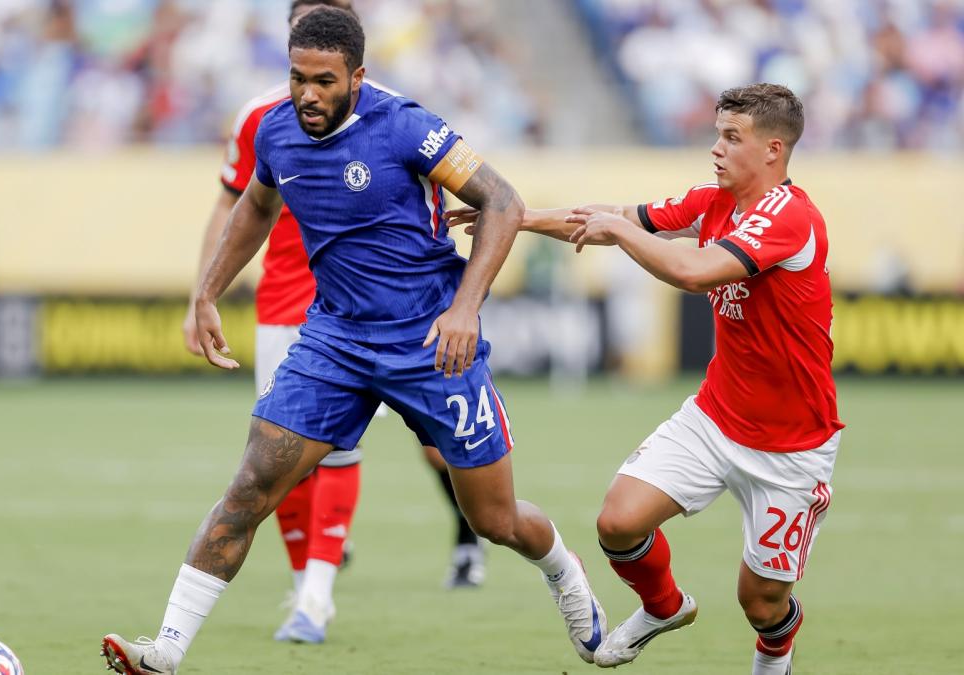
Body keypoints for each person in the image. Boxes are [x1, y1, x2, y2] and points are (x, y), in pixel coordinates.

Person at [103, 8, 605, 674]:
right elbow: (256, 205)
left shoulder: (406, 125)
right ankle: (164, 650)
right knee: (250, 485)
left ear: (357, 77)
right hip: (335, 340)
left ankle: (566, 577)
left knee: (496, 518)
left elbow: (503, 203)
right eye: (296, 77)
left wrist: (464, 308)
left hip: (429, 339)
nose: (308, 94)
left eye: (323, 81)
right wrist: (208, 289)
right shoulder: (275, 131)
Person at [453, 83, 842, 674]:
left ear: (774, 150)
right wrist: (517, 218)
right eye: (716, 133)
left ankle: (774, 659)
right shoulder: (713, 201)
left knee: (760, 602)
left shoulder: (790, 217)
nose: (716, 148)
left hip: (791, 447)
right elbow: (611, 218)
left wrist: (621, 233)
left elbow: (693, 271)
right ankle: (663, 606)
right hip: (715, 417)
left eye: (732, 137)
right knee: (618, 521)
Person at [180, 0, 485, 645]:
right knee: (274, 457)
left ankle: (323, 592)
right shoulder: (260, 120)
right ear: (290, 36)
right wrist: (201, 293)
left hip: (372, 306)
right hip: (284, 299)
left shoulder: (395, 114)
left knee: (371, 448)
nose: (310, 82)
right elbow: (239, 205)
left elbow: (483, 194)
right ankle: (305, 590)